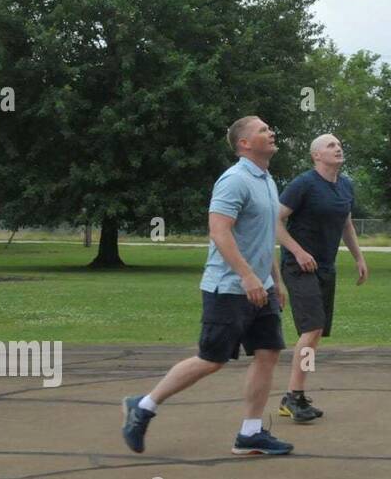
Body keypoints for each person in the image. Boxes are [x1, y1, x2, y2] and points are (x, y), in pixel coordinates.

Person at [121, 116, 293, 456]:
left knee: (268, 353)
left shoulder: (268, 180)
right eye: (262, 130)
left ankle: (250, 433)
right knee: (211, 359)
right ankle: (143, 406)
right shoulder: (234, 180)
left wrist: (275, 281)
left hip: (261, 287)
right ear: (244, 143)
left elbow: (263, 238)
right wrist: (247, 276)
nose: (270, 132)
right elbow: (219, 231)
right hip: (228, 288)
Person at [275, 133, 369, 423]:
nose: (338, 148)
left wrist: (358, 256)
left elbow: (346, 223)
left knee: (315, 335)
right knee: (313, 327)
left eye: (340, 144)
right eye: (331, 145)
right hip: (298, 267)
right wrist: (297, 251)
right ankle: (293, 396)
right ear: (316, 155)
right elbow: (274, 220)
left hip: (326, 268)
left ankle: (296, 394)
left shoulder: (345, 186)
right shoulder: (303, 184)